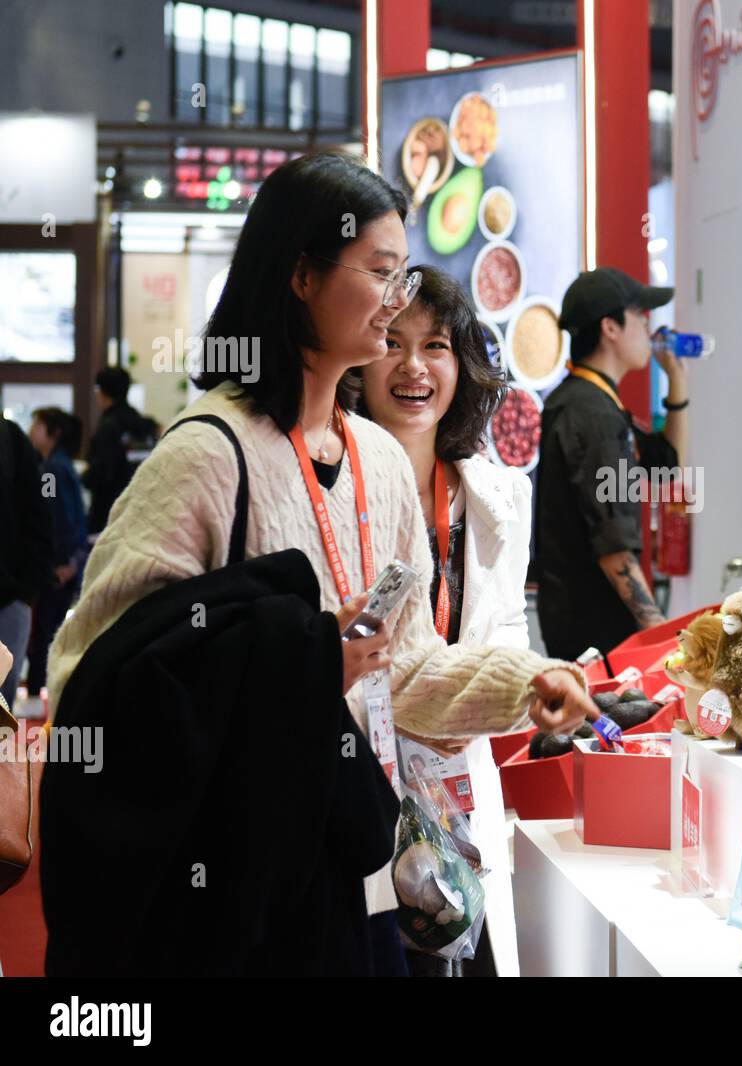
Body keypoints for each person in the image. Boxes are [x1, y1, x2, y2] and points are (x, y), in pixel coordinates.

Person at [47, 152, 596, 976]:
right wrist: (298, 664)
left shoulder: (376, 461)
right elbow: (88, 677)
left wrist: (528, 684)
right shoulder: (207, 456)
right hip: (235, 878)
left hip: (350, 857)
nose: (395, 300)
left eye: (403, 275)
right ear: (302, 276)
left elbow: (406, 671)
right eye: (379, 273)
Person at [357, 264, 532, 977]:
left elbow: (510, 625)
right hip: (363, 778)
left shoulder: (497, 497)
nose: (413, 366)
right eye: (391, 342)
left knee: (466, 954)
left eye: (435, 345)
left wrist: (526, 687)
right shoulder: (341, 489)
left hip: (461, 779)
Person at [535, 267, 690, 661]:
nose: (648, 325)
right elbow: (614, 546)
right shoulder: (592, 415)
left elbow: (665, 466)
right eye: (640, 314)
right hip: (598, 637)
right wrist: (659, 634)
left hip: (582, 629)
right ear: (611, 327)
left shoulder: (590, 402)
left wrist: (677, 385)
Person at [24, 409, 89, 710]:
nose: (32, 429)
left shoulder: (53, 469)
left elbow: (58, 517)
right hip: (63, 560)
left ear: (52, 431)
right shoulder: (54, 465)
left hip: (57, 564)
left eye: (37, 424)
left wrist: (64, 561)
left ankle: (38, 694)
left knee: (46, 630)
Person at [0, 417, 53, 710]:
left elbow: (37, 515)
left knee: (2, 710)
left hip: (8, 598)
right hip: (12, 593)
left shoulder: (9, 438)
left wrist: (26, 589)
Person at [83, 366, 156, 534]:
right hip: (141, 510)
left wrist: (86, 475)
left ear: (101, 393)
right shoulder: (144, 425)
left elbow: (102, 472)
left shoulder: (108, 426)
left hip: (110, 513)